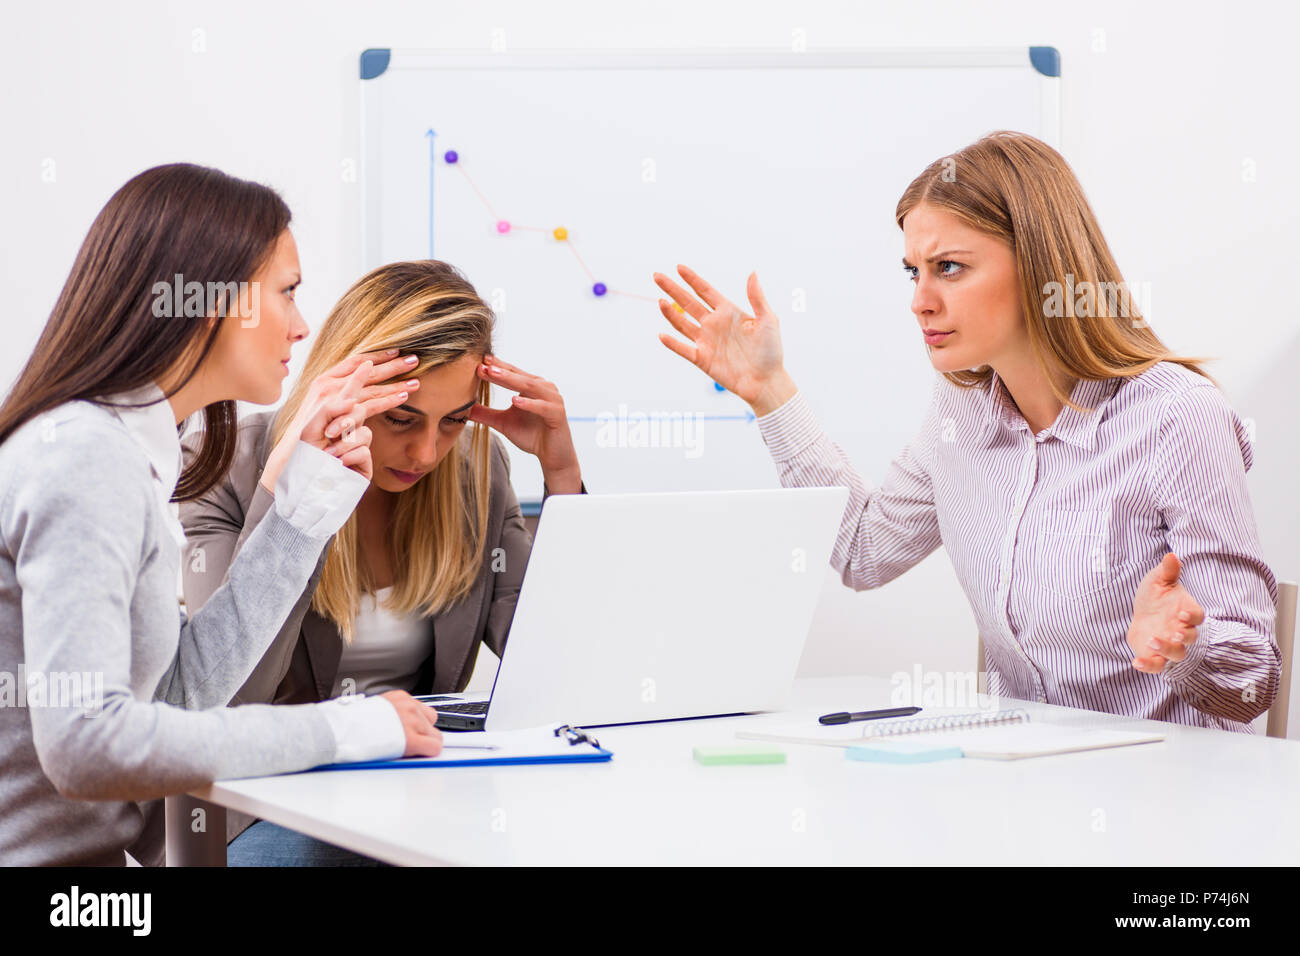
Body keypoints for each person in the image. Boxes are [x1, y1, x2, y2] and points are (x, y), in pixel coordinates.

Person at [653, 130, 1279, 732]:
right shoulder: (962, 413)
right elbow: (864, 552)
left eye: (949, 267)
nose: (920, 300)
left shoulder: (1174, 415)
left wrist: (1185, 643)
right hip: (1027, 793)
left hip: (1166, 806)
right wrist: (770, 393)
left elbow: (1253, 682)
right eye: (913, 272)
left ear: (1041, 268)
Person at [0, 164, 443, 867]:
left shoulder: (135, 452)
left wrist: (301, 511)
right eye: (287, 294)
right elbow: (86, 745)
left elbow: (181, 695)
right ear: (211, 299)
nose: (302, 328)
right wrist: (347, 729)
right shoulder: (85, 457)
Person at [179, 259, 585, 863]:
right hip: (276, 796)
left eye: (452, 421)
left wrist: (562, 475)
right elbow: (222, 693)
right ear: (343, 385)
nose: (426, 452)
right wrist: (290, 488)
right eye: (402, 418)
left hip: (424, 791)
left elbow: (554, 660)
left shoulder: (477, 468)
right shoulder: (223, 462)